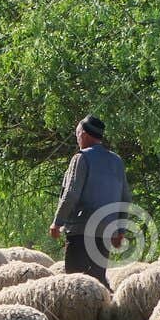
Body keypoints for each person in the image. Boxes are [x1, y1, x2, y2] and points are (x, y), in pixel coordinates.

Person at [49, 115, 130, 285]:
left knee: (75, 284)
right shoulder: (117, 161)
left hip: (81, 229)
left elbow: (71, 194)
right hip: (106, 232)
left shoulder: (81, 158)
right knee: (97, 282)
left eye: (77, 134)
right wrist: (120, 231)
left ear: (84, 134)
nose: (77, 138)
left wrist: (57, 222)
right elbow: (125, 199)